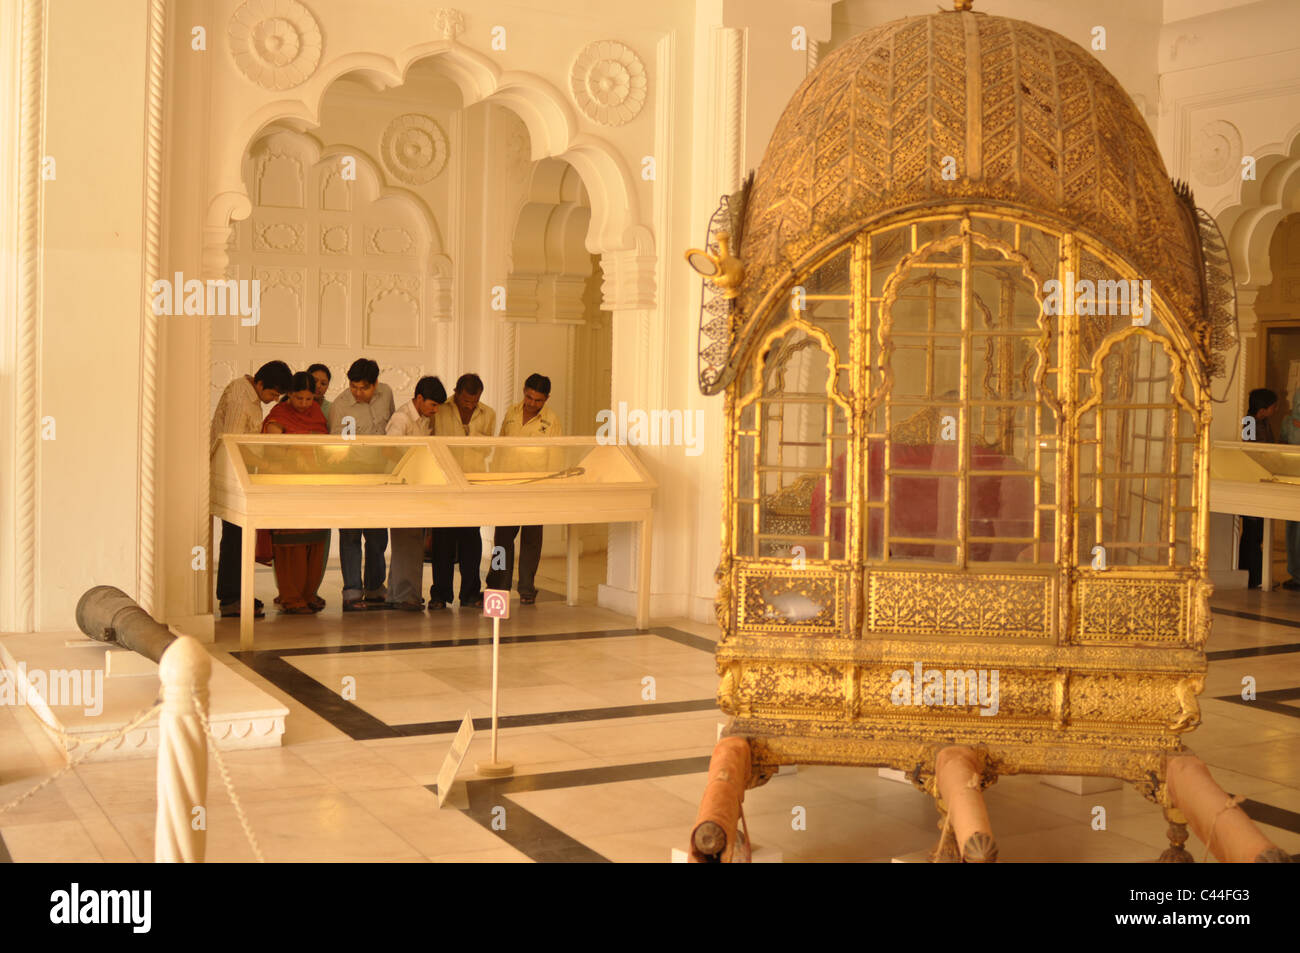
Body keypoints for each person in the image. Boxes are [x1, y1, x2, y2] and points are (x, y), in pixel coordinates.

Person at [211, 360, 292, 618]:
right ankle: (231, 597)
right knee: (234, 539)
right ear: (259, 383)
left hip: (241, 475)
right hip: (230, 476)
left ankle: (240, 593)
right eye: (272, 393)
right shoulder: (239, 395)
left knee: (241, 538)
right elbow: (233, 443)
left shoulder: (252, 398)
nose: (274, 399)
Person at [485, 373, 563, 605]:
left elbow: (556, 457)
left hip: (535, 489)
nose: (532, 403)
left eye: (538, 400)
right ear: (524, 391)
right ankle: (499, 583)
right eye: (529, 397)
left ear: (547, 398)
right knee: (502, 541)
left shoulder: (552, 421)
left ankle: (527, 587)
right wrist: (495, 480)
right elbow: (500, 446)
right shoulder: (511, 413)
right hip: (507, 486)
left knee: (531, 540)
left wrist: (550, 488)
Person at [328, 358, 396, 610]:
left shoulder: (387, 393)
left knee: (378, 537)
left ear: (376, 383)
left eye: (364, 387)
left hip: (380, 477)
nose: (357, 392)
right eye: (353, 386)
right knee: (351, 536)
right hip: (352, 478)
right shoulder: (341, 406)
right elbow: (336, 449)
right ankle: (352, 592)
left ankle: (376, 587)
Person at [262, 372, 331, 613]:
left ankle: (309, 594)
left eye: (308, 399)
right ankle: (290, 597)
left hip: (314, 488)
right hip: (287, 488)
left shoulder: (317, 414)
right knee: (290, 544)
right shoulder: (279, 415)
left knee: (315, 542)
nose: (303, 404)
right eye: (298, 398)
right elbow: (272, 451)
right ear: (289, 395)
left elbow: (325, 447)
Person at [431, 374, 497, 610]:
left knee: (471, 540)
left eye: (474, 401)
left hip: (472, 484)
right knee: (443, 543)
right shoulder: (441, 410)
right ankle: (439, 595)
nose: (470, 405)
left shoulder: (488, 414)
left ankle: (470, 593)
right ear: (456, 393)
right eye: (466, 401)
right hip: (445, 484)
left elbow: (488, 448)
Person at [385, 376, 447, 611]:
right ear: (419, 399)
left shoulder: (424, 418)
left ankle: (402, 593)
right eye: (432, 404)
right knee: (405, 541)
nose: (436, 410)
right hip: (402, 486)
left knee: (413, 541)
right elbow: (388, 449)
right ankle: (404, 596)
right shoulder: (401, 418)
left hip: (417, 485)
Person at [1238, 388, 1278, 590]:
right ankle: (1252, 575)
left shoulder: (1262, 423)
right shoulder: (1249, 422)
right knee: (1252, 533)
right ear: (1264, 408)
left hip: (1260, 479)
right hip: (1251, 481)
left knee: (1256, 532)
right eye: (1273, 406)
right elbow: (1250, 450)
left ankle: (1254, 574)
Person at [1280, 388, 1300, 592]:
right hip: (1290, 479)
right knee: (1292, 528)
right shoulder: (1287, 422)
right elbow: (1280, 446)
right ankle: (1295, 573)